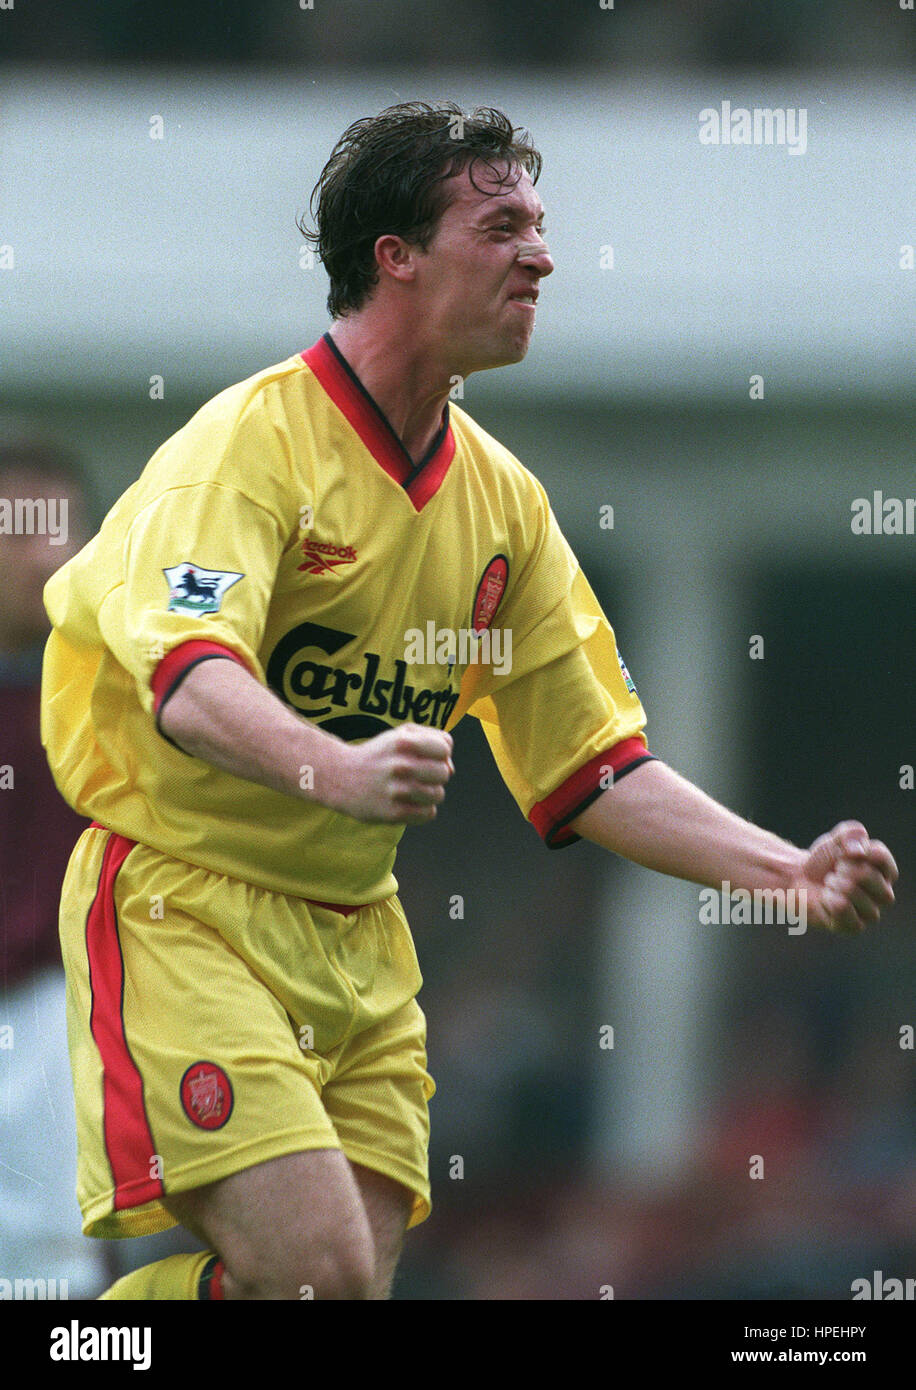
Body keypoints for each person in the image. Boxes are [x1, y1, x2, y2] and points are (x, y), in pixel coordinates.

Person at [40, 102, 898, 1301]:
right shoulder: (247, 445)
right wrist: (335, 768)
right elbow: (189, 681)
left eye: (540, 228)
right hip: (188, 909)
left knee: (337, 1294)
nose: (540, 256)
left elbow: (594, 767)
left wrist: (782, 871)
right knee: (318, 1275)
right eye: (501, 229)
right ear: (395, 255)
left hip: (358, 936)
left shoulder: (503, 505)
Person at [0, 441, 109, 1298]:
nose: (46, 555)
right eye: (20, 530)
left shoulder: (114, 695)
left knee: (47, 1260)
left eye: (61, 528)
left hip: (51, 1008)